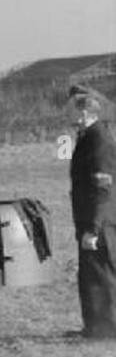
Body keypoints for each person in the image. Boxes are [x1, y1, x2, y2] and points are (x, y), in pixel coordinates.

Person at [70, 92, 116, 340]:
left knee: (102, 274)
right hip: (87, 218)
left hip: (100, 220)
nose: (69, 114)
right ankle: (94, 327)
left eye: (73, 110)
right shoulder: (87, 137)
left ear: (85, 112)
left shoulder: (99, 139)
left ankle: (108, 330)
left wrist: (95, 228)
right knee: (90, 275)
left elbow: (102, 187)